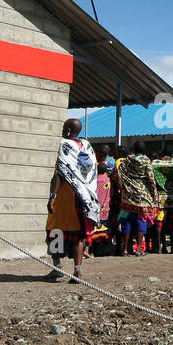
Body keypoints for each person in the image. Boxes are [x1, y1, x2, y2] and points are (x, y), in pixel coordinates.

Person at [46, 119, 100, 282]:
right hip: (82, 197)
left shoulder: (65, 145)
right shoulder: (87, 146)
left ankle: (57, 267)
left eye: (64, 127)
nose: (62, 130)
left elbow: (61, 174)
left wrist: (53, 197)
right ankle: (77, 271)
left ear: (69, 130)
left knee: (54, 231)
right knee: (78, 235)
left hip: (65, 199)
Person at [116, 141, 159, 255]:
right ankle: (139, 248)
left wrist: (125, 186)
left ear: (133, 148)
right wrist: (154, 194)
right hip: (142, 196)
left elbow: (120, 174)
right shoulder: (146, 161)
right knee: (142, 221)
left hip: (128, 196)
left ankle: (125, 248)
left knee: (127, 221)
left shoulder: (126, 160)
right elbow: (150, 178)